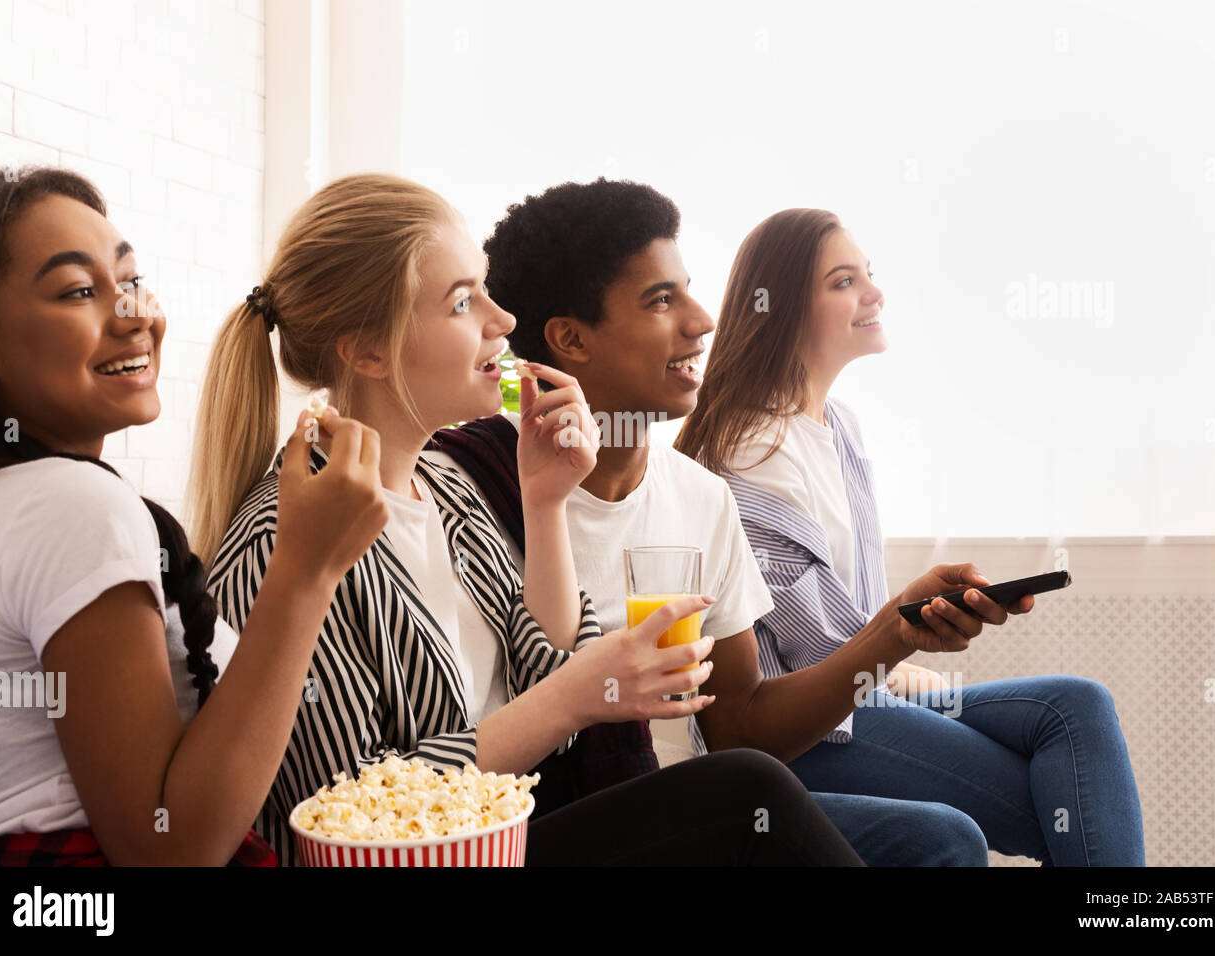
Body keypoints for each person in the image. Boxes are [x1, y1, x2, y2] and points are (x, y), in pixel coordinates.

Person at [196, 172, 862, 866]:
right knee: (744, 791)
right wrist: (578, 694)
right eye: (462, 302)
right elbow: (347, 813)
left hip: (505, 841)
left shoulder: (448, 487)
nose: (504, 322)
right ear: (367, 349)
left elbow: (542, 678)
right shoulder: (284, 541)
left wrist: (543, 506)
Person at [422, 178, 1033, 866]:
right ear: (571, 339)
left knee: (942, 836)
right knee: (752, 790)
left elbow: (741, 722)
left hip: (701, 802)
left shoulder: (700, 497)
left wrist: (893, 629)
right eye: (661, 299)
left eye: (687, 289)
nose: (702, 319)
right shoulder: (476, 492)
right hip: (564, 822)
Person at [675, 207, 1146, 865]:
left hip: (862, 696)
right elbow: (821, 658)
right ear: (781, 309)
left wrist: (907, 655)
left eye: (868, 275)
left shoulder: (839, 427)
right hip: (810, 734)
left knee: (1075, 707)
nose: (874, 294)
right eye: (843, 282)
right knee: (1064, 803)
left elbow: (854, 633)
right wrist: (900, 645)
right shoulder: (751, 454)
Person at [0, 166, 390, 866]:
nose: (134, 315)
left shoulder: (3, 500)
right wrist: (307, 569)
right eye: (78, 291)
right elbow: (168, 850)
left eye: (130, 281)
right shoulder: (72, 507)